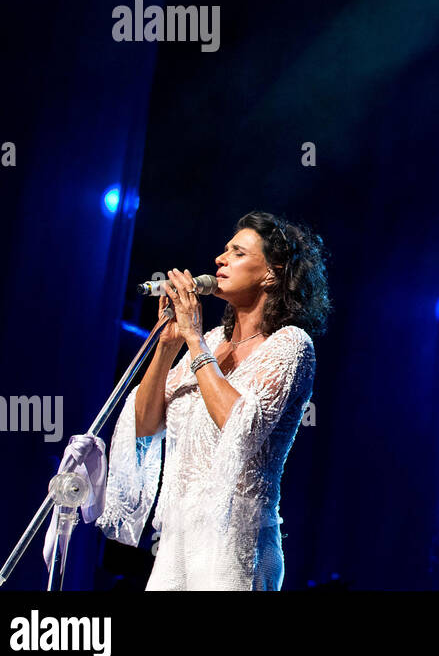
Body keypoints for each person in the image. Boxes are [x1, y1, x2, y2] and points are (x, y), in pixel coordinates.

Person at [93, 211, 332, 589]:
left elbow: (240, 426)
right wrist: (169, 347)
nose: (219, 260)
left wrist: (193, 337)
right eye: (223, 251)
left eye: (237, 253)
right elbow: (145, 425)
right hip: (176, 543)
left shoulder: (290, 345)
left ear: (272, 272)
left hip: (235, 543)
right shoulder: (212, 340)